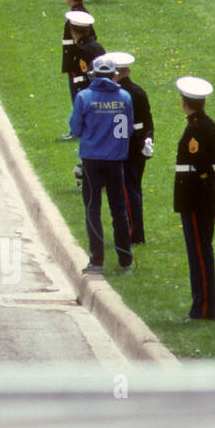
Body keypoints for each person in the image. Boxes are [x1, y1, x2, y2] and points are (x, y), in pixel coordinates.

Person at [69, 55, 134, 273]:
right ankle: (125, 259)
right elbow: (128, 131)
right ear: (114, 75)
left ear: (94, 75)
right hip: (115, 161)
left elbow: (76, 129)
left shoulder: (84, 97)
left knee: (92, 209)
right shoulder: (124, 97)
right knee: (119, 211)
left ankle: (97, 260)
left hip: (91, 162)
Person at [173, 76, 215, 322]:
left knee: (199, 255)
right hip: (203, 198)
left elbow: (200, 163)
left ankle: (203, 310)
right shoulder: (208, 124)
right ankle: (202, 308)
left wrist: (210, 178)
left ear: (185, 103)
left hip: (195, 199)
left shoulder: (195, 129)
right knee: (201, 252)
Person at [104, 51, 154, 245]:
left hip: (125, 147)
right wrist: (149, 139)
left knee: (127, 191)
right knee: (133, 189)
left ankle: (134, 233)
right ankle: (135, 232)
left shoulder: (117, 94)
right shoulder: (139, 91)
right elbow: (148, 121)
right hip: (139, 144)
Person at [62, 9, 104, 138]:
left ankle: (78, 131)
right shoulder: (97, 46)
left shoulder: (79, 50)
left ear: (72, 31)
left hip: (87, 86)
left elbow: (81, 74)